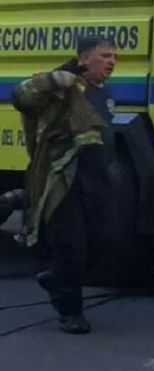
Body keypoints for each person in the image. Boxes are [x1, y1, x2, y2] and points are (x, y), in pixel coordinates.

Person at [11, 35, 119, 334]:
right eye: (105, 55)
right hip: (65, 181)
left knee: (103, 242)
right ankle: (70, 313)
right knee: (71, 249)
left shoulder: (103, 92)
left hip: (97, 183)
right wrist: (51, 80)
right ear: (84, 59)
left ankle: (56, 278)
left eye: (113, 56)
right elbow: (20, 96)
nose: (111, 61)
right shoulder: (63, 87)